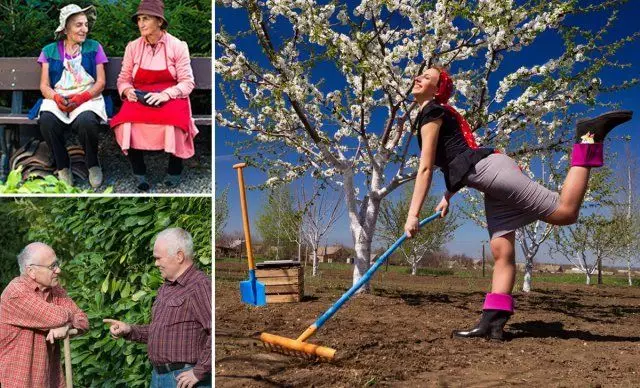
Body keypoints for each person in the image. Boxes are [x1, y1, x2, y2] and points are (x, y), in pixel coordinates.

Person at [405, 67, 633, 340]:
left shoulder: (432, 112)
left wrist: (413, 214)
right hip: (485, 177)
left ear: (438, 90)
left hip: (491, 172)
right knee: (502, 251)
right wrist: (448, 196)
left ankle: (588, 137)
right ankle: (492, 324)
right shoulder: (431, 114)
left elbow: (426, 168)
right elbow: (457, 157)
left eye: (427, 78)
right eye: (419, 75)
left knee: (564, 212)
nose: (418, 78)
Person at [103, 228, 211, 387]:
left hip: (183, 379)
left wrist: (199, 371)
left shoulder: (199, 285)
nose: (156, 263)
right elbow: (159, 332)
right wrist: (129, 330)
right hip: (159, 378)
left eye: (159, 258)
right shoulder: (166, 289)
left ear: (179, 256)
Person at [109, 0, 199, 191]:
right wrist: (127, 90)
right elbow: (123, 78)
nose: (141, 23)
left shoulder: (177, 46)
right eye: (139, 19)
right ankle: (139, 171)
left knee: (175, 122)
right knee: (126, 122)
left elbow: (187, 82)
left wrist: (167, 94)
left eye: (146, 19)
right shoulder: (132, 47)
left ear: (159, 21)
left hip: (171, 95)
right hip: (140, 95)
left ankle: (174, 170)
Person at [28, 4, 109, 188]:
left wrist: (81, 98)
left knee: (87, 121)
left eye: (86, 24)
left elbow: (101, 82)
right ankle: (63, 166)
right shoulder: (49, 51)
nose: (84, 29)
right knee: (47, 120)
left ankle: (93, 163)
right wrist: (56, 98)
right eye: (78, 25)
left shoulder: (94, 47)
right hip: (59, 97)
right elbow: (44, 85)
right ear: (66, 28)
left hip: (87, 97)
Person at [0, 242, 89, 388]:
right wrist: (66, 321)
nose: (58, 270)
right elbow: (57, 318)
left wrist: (65, 326)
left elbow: (83, 321)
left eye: (57, 264)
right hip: (20, 382)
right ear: (31, 271)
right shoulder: (16, 294)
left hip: (50, 380)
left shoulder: (54, 289)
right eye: (52, 266)